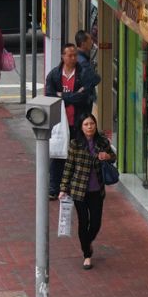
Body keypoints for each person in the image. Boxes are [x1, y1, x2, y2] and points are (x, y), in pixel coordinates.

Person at [58, 114, 116, 270]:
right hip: (79, 190)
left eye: (92, 123)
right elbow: (69, 167)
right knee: (83, 222)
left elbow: (113, 157)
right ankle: (87, 255)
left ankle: (87, 241)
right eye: (86, 124)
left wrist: (108, 156)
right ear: (81, 127)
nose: (90, 127)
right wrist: (63, 188)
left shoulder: (102, 142)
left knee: (96, 223)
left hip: (97, 190)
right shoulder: (75, 144)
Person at [46, 42, 100, 198]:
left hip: (78, 123)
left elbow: (84, 97)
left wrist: (62, 96)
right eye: (70, 55)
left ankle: (72, 187)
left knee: (76, 156)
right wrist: (74, 95)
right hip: (60, 124)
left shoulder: (83, 74)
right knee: (57, 156)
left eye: (75, 55)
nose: (73, 58)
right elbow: (50, 96)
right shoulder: (54, 75)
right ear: (63, 56)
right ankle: (54, 188)